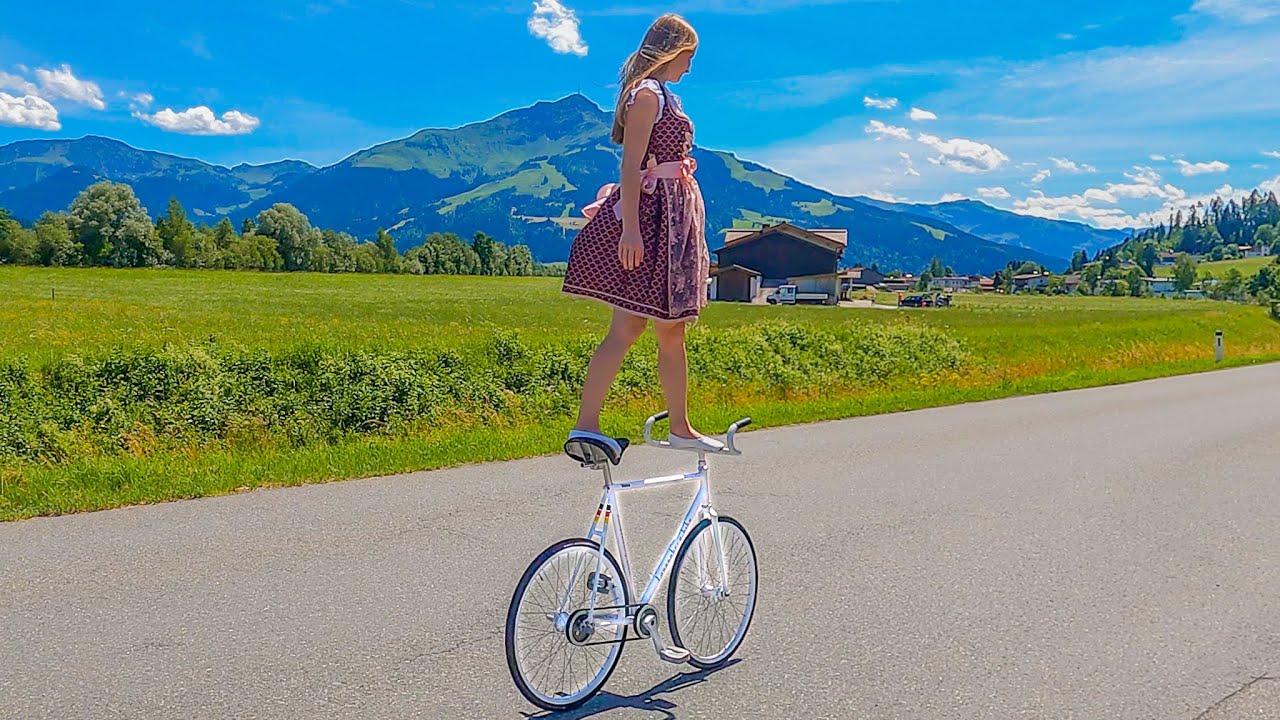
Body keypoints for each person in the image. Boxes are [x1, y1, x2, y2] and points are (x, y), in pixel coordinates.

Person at [561, 13, 722, 455]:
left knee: (639, 328)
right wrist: (630, 230)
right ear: (671, 51)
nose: (689, 67)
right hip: (656, 224)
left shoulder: (661, 95)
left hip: (668, 219)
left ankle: (605, 426)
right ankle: (652, 428)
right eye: (688, 56)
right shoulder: (649, 95)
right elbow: (630, 167)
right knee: (655, 329)